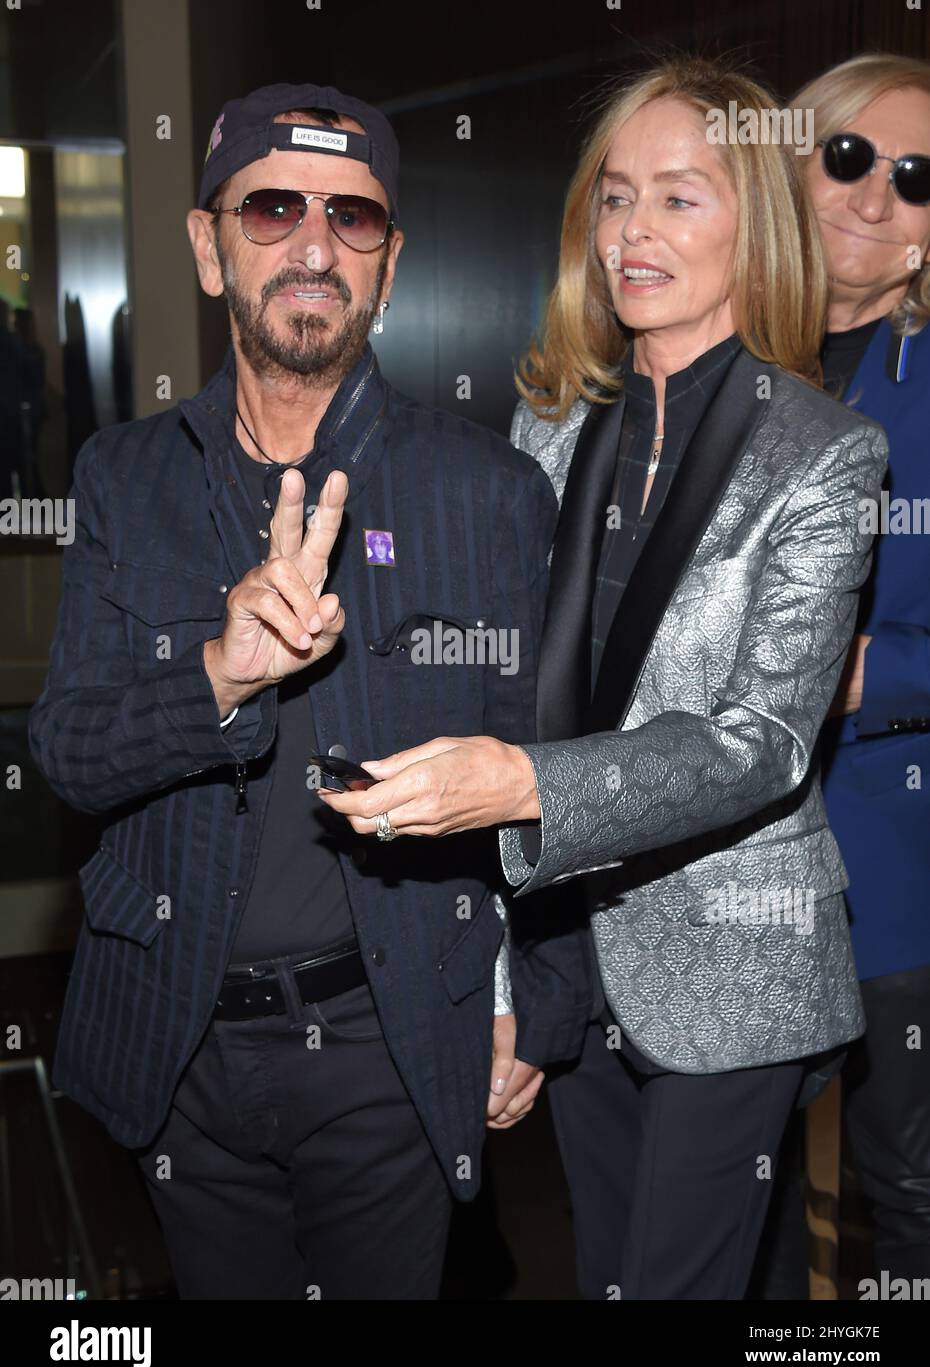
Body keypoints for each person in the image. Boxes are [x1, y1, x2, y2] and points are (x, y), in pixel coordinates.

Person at [320, 56, 889, 1299]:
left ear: (760, 225)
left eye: (681, 197)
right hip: (577, 950)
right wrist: (518, 988)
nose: (634, 230)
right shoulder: (552, 431)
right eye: (617, 196)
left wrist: (523, 781)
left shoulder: (830, 453)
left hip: (743, 962)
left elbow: (764, 744)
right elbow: (522, 699)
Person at [28, 83, 591, 1300]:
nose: (315, 246)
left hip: (392, 1045)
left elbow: (554, 768)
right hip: (176, 1036)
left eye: (355, 217)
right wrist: (217, 677)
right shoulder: (125, 478)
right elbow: (69, 751)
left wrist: (536, 998)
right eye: (273, 207)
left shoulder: (485, 494)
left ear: (390, 265)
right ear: (207, 241)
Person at [759, 53, 930, 1295]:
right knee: (732, 1190)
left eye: (918, 177)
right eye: (850, 155)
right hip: (705, 865)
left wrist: (873, 675)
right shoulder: (695, 360)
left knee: (907, 1189)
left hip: (890, 854)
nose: (877, 197)